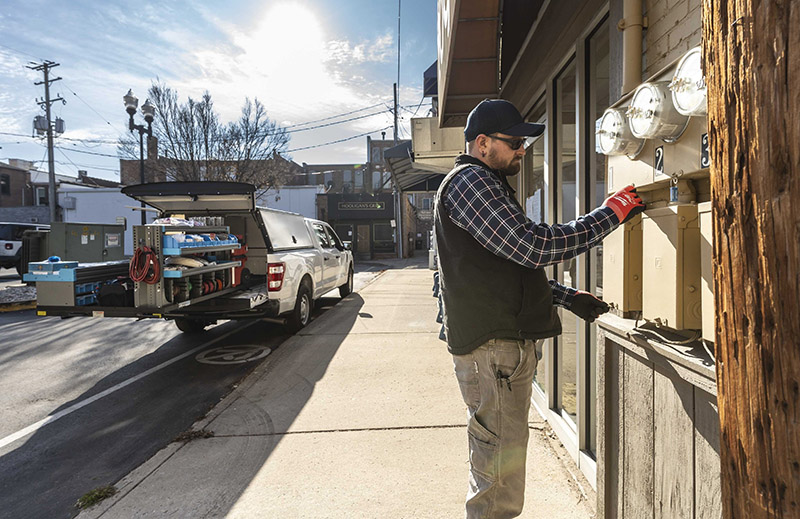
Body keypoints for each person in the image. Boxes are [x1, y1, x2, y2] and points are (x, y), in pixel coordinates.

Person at [434, 98, 645, 519]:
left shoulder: (486, 185)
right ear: (481, 143)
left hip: (497, 349)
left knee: (498, 464)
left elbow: (500, 271)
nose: (522, 150)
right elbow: (532, 246)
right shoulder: (469, 183)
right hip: (492, 350)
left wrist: (568, 297)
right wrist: (610, 214)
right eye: (514, 142)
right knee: (498, 478)